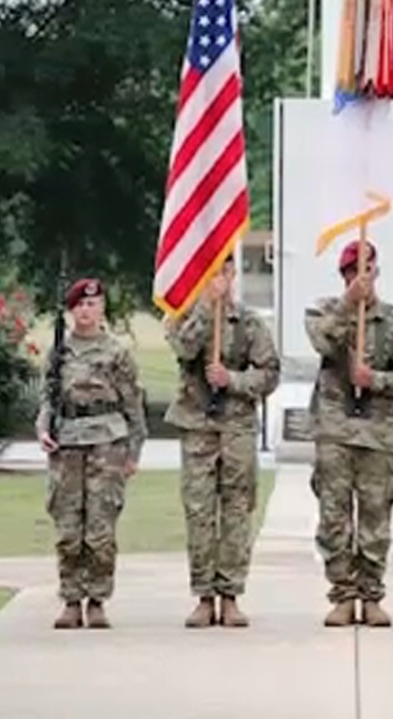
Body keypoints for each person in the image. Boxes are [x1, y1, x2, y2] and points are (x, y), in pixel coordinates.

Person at [303, 239, 393, 627]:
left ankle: (371, 594)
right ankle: (342, 593)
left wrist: (376, 379)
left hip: (377, 429)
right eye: (353, 271)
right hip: (335, 428)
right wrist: (347, 305)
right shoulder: (324, 310)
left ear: (377, 271)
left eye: (367, 270)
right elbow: (322, 340)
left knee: (376, 514)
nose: (361, 278)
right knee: (334, 515)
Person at [163, 256, 280, 629]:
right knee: (199, 512)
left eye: (223, 272)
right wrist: (205, 306)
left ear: (232, 274)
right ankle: (203, 595)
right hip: (198, 425)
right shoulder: (183, 316)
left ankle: (230, 595)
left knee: (236, 511)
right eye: (210, 272)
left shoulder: (249, 324)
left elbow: (269, 373)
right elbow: (184, 349)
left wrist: (232, 379)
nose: (218, 279)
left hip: (236, 427)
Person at [35, 278, 148, 630]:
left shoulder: (117, 352)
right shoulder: (59, 353)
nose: (86, 311)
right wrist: (42, 429)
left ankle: (97, 599)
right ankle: (71, 599)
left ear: (102, 309)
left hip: (106, 442)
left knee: (100, 528)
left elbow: (133, 404)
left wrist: (133, 452)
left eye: (93, 304)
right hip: (68, 442)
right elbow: (47, 398)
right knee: (68, 528)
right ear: (71, 311)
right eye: (80, 306)